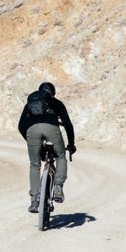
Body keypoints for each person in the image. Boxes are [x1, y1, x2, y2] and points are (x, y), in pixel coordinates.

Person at [18, 81, 76, 213]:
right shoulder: (56, 103)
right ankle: (58, 186)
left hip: (32, 131)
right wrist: (71, 144)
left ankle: (34, 200)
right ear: (52, 93)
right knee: (61, 156)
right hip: (51, 129)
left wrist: (29, 140)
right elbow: (68, 125)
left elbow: (21, 125)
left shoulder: (30, 104)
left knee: (34, 164)